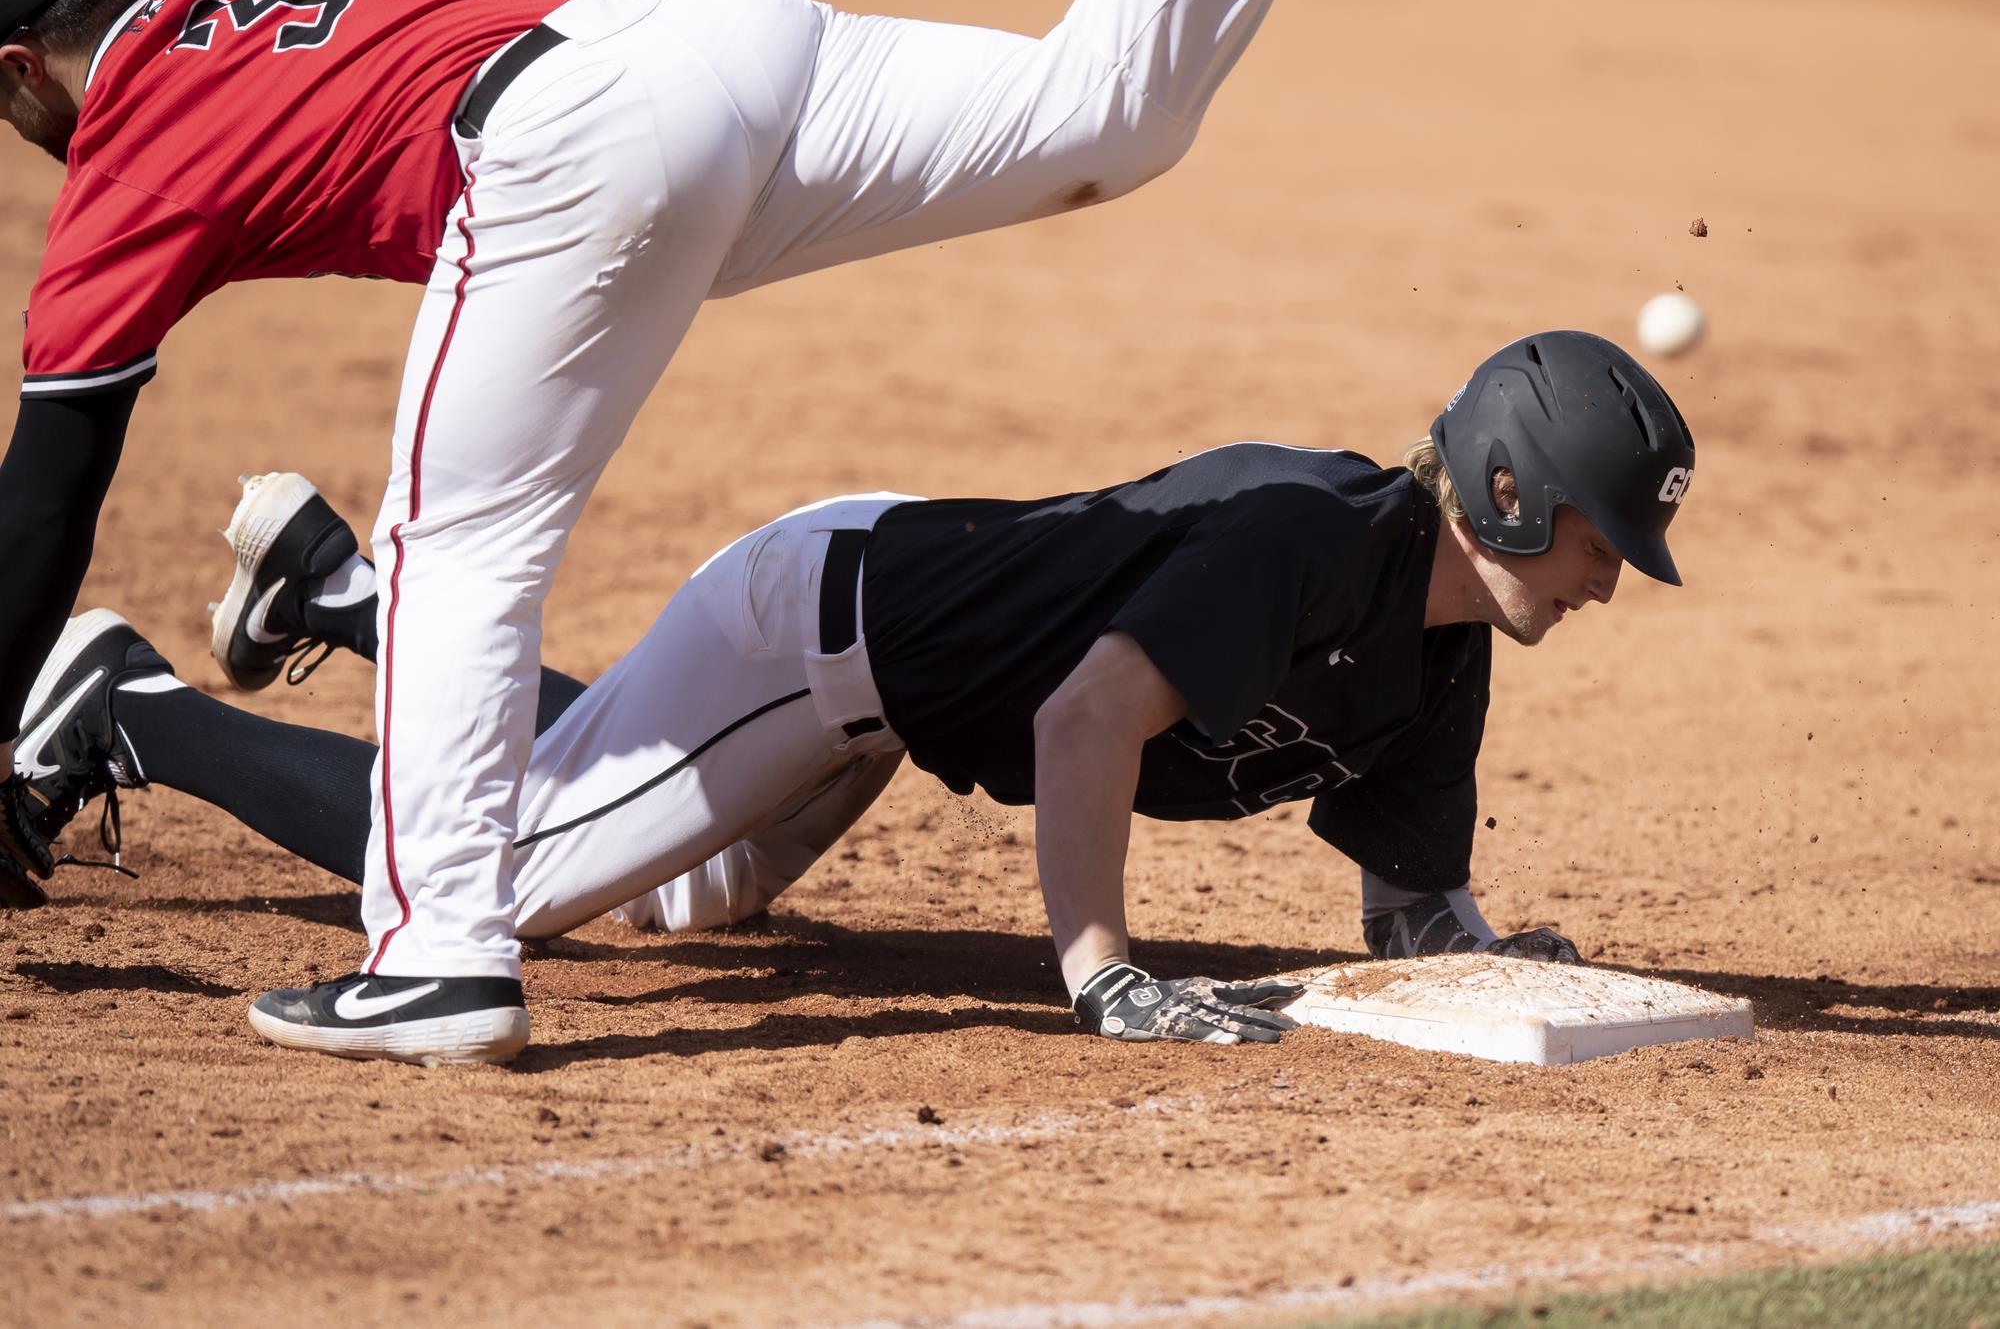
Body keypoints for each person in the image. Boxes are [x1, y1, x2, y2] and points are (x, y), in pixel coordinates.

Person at [0, 0, 1278, 1062]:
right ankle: (332, 601)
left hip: (575, 126)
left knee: (457, 544)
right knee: (1099, 108)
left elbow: (47, 499)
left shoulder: (132, 149)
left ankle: (437, 953)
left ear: (21, 67)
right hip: (721, 35)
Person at [5, 330, 1696, 1064]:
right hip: (824, 636)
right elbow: (1082, 722)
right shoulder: (1304, 539)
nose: (1607, 580)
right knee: (487, 884)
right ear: (1503, 491)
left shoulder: (1444, 649)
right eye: (1595, 539)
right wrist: (1104, 974)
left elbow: (1412, 906)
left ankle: (338, 590)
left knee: (670, 870)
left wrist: (1473, 950)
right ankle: (127, 699)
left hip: (890, 683)